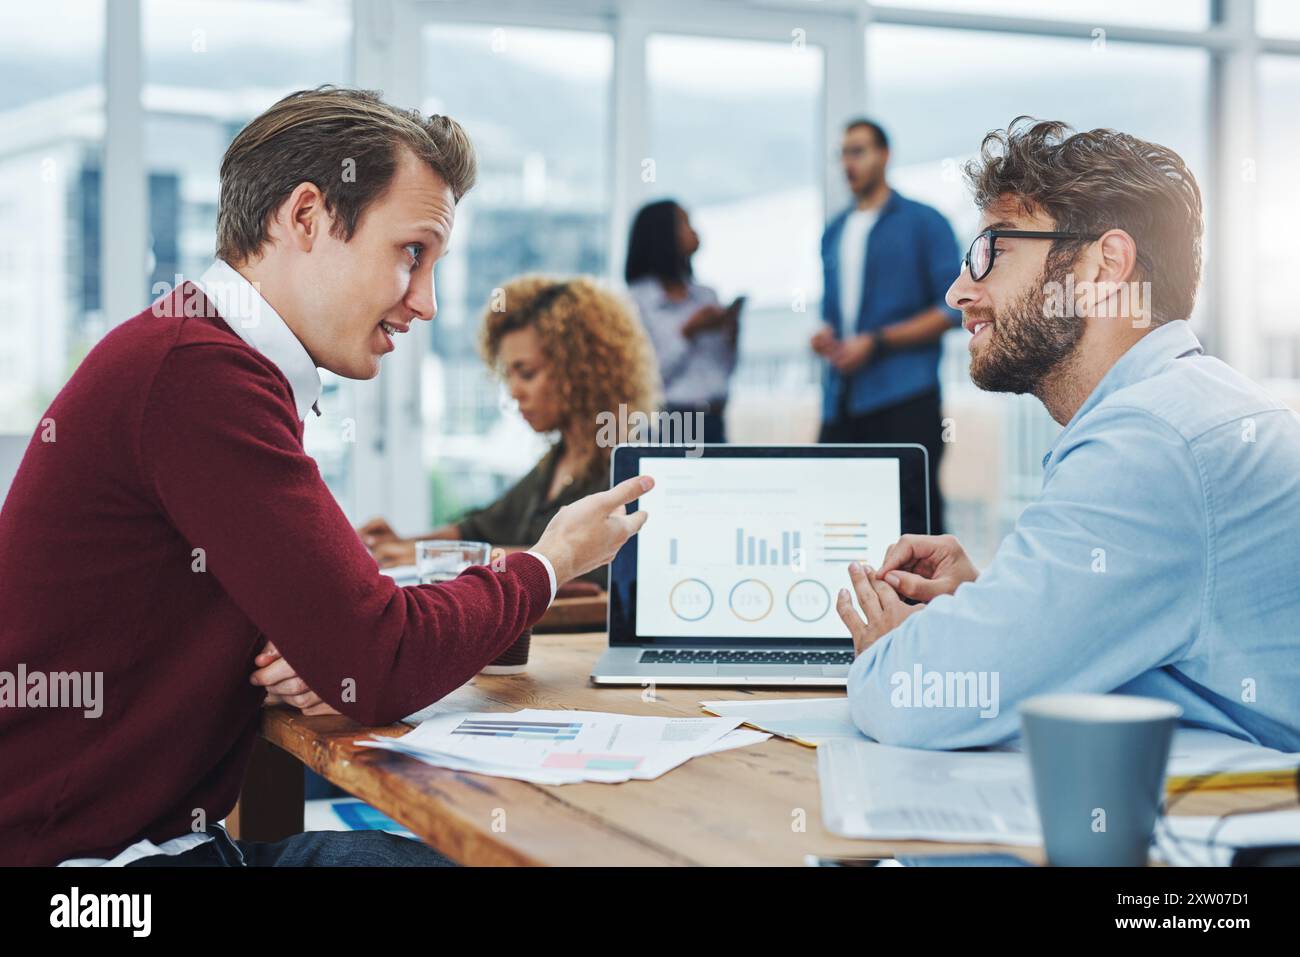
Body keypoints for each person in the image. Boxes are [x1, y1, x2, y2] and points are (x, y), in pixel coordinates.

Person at [0, 87, 653, 867]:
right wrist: (546, 565)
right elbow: (378, 658)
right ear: (304, 218)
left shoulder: (195, 353)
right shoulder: (199, 376)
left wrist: (323, 639)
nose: (428, 302)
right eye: (412, 253)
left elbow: (346, 637)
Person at [836, 117, 1300, 752]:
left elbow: (917, 701)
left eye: (992, 251)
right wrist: (991, 604)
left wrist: (898, 656)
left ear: (1105, 265)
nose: (958, 291)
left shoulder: (1151, 440)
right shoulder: (1181, 408)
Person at [359, 274, 659, 588]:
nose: (514, 392)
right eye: (508, 374)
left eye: (526, 373)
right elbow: (479, 529)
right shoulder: (558, 461)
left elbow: (586, 561)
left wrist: (433, 557)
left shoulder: (624, 468)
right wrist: (406, 544)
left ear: (579, 370)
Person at [813, 118, 962, 533]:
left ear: (885, 155)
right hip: (842, 400)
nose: (848, 162)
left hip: (905, 397)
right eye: (843, 153)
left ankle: (928, 603)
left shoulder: (924, 223)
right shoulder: (834, 232)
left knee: (915, 521)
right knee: (832, 516)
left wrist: (877, 342)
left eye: (858, 151)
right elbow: (834, 313)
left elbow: (953, 307)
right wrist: (826, 337)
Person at [625, 199, 739, 444]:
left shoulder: (707, 295)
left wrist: (732, 330)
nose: (695, 231)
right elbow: (645, 377)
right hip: (670, 421)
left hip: (714, 419)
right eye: (685, 223)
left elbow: (724, 369)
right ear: (661, 235)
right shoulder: (635, 302)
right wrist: (688, 331)